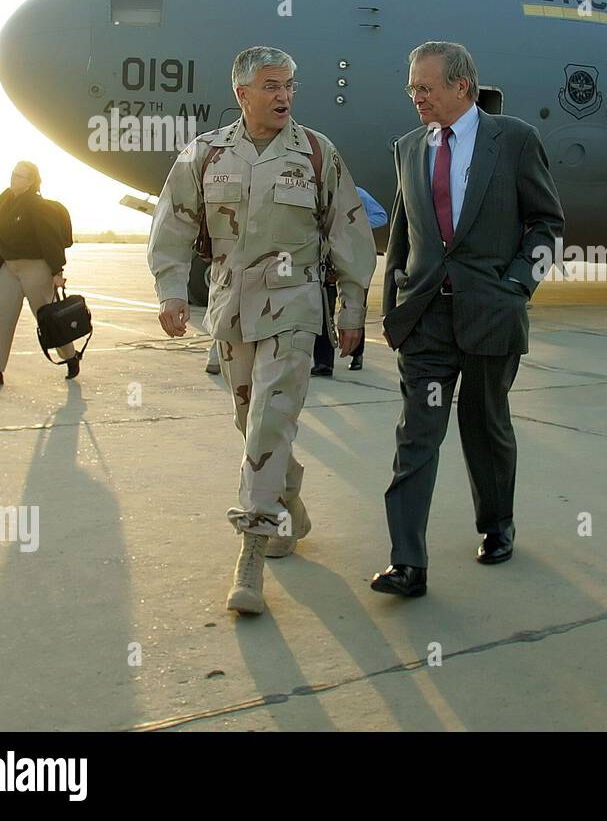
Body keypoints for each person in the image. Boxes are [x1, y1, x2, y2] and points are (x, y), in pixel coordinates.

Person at [147, 46, 377, 615]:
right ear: (242, 94)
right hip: (230, 309)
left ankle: (250, 555)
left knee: (270, 417)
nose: (283, 96)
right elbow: (172, 225)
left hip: (295, 305)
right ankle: (290, 503)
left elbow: (349, 232)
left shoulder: (318, 154)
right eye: (271, 86)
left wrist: (351, 308)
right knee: (251, 422)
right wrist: (173, 291)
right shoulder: (204, 156)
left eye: (290, 86)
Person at [373, 41, 564, 597]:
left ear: (463, 86)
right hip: (427, 317)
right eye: (412, 87)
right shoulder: (408, 147)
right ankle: (408, 562)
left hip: (490, 315)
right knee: (416, 437)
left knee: (485, 429)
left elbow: (546, 224)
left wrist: (518, 285)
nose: (416, 97)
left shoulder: (514, 141)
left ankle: (496, 524)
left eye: (425, 87)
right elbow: (404, 236)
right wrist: (393, 310)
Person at [0, 161, 81, 387]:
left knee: (48, 319)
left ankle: (70, 356)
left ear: (31, 181)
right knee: (0, 316)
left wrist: (57, 270)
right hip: (9, 267)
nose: (14, 178)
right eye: (13, 174)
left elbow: (49, 239)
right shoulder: (5, 199)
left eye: (20, 176)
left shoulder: (38, 205)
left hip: (36, 268)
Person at [312, 186, 388, 375]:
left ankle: (356, 355)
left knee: (354, 307)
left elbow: (382, 216)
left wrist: (356, 226)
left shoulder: (357, 193)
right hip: (329, 261)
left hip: (354, 259)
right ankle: (324, 363)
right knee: (324, 312)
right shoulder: (319, 194)